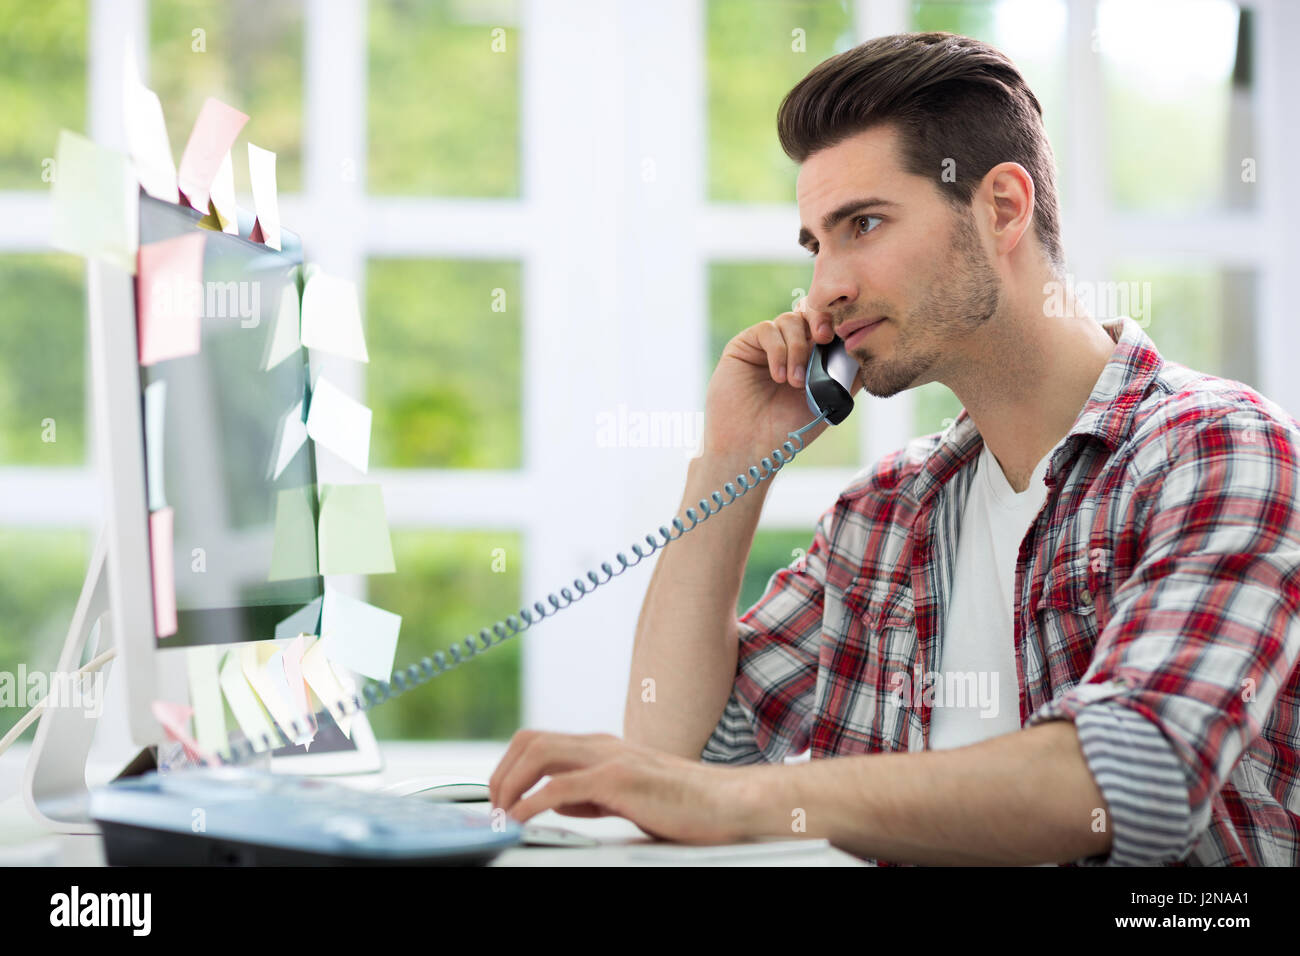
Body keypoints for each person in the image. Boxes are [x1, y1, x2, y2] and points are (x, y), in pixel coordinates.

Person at [487, 31, 1300, 866]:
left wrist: (735, 804)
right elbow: (679, 759)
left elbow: (1131, 777)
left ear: (1002, 208)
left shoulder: (1216, 450)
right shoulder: (884, 514)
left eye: (862, 225)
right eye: (816, 245)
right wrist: (731, 459)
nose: (823, 290)